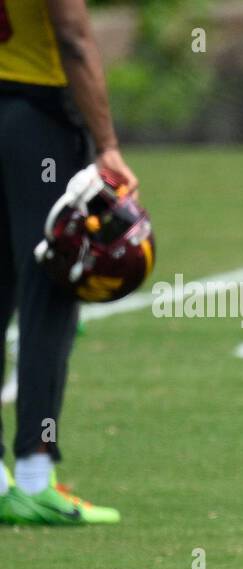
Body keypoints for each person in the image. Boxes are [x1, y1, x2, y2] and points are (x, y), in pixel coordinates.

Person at [0, 0, 138, 524]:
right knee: (51, 287)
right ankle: (35, 474)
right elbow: (74, 35)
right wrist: (106, 145)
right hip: (38, 125)